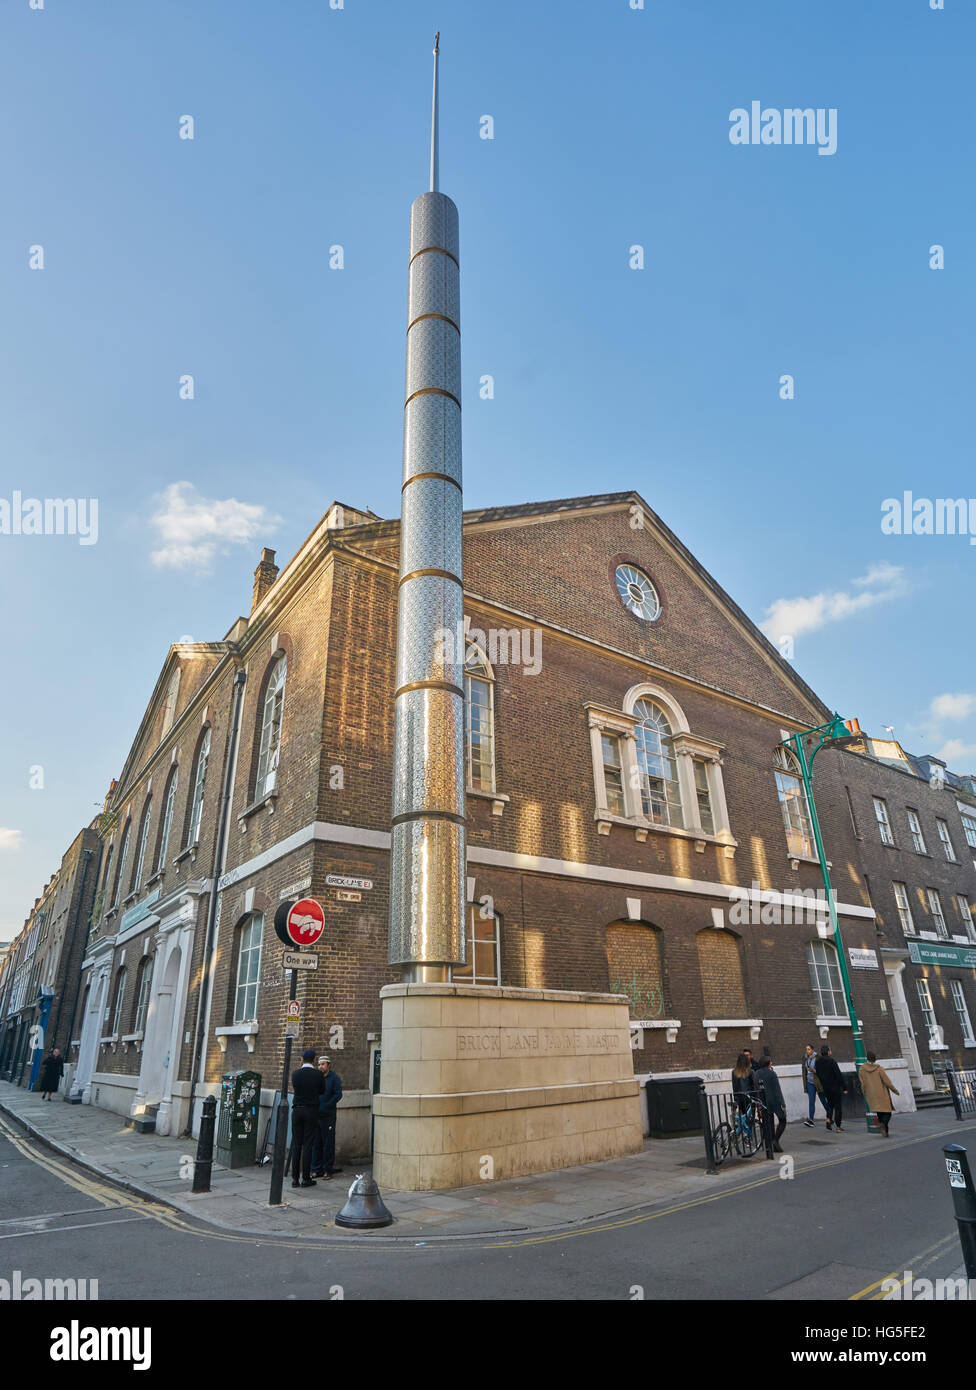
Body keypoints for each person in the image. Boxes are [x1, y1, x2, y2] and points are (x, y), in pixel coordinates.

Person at [290, 1048, 325, 1188]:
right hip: (311, 1111)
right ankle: (306, 1178)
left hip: (297, 1110)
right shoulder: (318, 1074)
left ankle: (294, 1179)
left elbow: (295, 1088)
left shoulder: (295, 1074)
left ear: (302, 1059)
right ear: (314, 1060)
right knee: (308, 1145)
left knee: (297, 1144)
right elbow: (322, 1091)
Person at [311, 1056, 344, 1179]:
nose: (320, 1067)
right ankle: (316, 1169)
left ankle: (327, 1170)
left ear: (328, 1065)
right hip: (316, 1115)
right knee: (316, 1142)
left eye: (323, 1064)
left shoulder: (334, 1078)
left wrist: (327, 1106)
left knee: (328, 1144)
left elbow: (338, 1094)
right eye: (319, 1064)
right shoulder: (316, 1078)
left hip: (328, 1116)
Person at [858, 1050, 900, 1137]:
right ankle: (884, 1124)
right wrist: (895, 1090)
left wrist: (864, 1093)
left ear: (867, 1058)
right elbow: (887, 1082)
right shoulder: (879, 1069)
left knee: (879, 1112)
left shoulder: (862, 1069)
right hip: (882, 1094)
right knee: (888, 1112)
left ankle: (884, 1128)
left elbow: (862, 1083)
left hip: (871, 1094)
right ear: (875, 1059)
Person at [755, 1055, 787, 1152]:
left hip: (764, 1101)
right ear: (768, 1063)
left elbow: (758, 1088)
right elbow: (777, 1090)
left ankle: (772, 1145)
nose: (772, 1063)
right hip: (775, 1101)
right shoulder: (772, 1073)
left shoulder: (757, 1073)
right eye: (770, 1061)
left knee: (769, 1123)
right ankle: (775, 1141)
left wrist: (759, 1101)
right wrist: (783, 1104)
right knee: (783, 1120)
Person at [814, 1044, 847, 1132]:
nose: (831, 1051)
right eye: (830, 1050)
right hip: (835, 1087)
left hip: (825, 1087)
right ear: (828, 1052)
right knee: (838, 1107)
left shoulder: (817, 1062)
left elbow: (818, 1073)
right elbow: (838, 1074)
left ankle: (828, 1119)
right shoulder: (831, 1061)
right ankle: (838, 1127)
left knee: (830, 1104)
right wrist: (844, 1087)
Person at [802, 1043, 827, 1127]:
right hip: (810, 1082)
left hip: (818, 1082)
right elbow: (804, 1071)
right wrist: (805, 1083)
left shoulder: (818, 1058)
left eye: (809, 1049)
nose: (807, 1051)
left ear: (812, 1050)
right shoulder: (805, 1058)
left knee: (823, 1099)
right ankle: (811, 1120)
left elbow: (822, 1070)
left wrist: (814, 1070)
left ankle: (830, 1115)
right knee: (811, 1101)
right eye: (806, 1049)